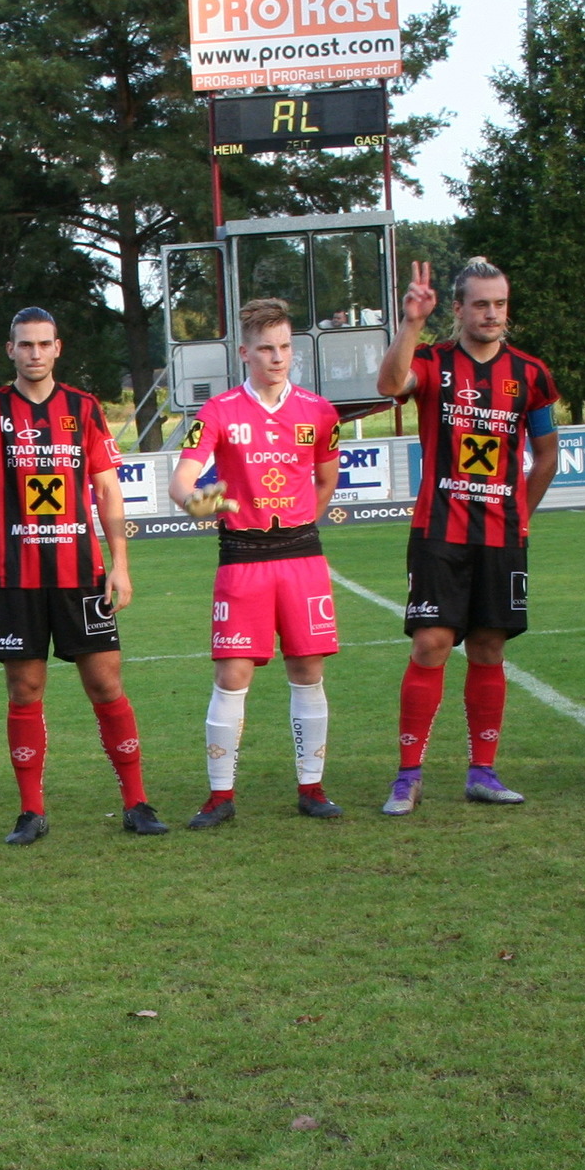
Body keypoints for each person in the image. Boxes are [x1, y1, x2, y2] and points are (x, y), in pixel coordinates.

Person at [0, 307, 166, 844]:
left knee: (105, 682)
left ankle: (137, 802)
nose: (35, 353)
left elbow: (109, 490)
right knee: (25, 689)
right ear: (10, 349)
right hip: (16, 576)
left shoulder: (84, 408)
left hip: (82, 575)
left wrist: (121, 565)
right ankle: (31, 811)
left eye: (44, 344)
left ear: (58, 348)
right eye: (25, 344)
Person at [376, 258, 561, 814]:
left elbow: (546, 455)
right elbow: (389, 385)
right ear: (457, 308)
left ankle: (483, 770)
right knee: (431, 644)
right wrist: (411, 323)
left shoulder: (530, 374)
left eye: (500, 304)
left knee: (488, 646)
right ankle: (408, 776)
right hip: (438, 530)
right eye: (481, 304)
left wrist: (519, 515)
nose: (492, 314)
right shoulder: (432, 362)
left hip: (502, 536)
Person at [168, 298, 343, 828]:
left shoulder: (319, 411)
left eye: (285, 346)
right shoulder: (219, 411)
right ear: (244, 352)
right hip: (242, 559)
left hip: (301, 557)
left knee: (307, 670)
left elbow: (326, 479)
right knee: (232, 673)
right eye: (266, 348)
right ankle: (220, 797)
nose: (277, 357)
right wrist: (215, 505)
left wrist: (299, 522)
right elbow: (183, 481)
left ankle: (311, 788)